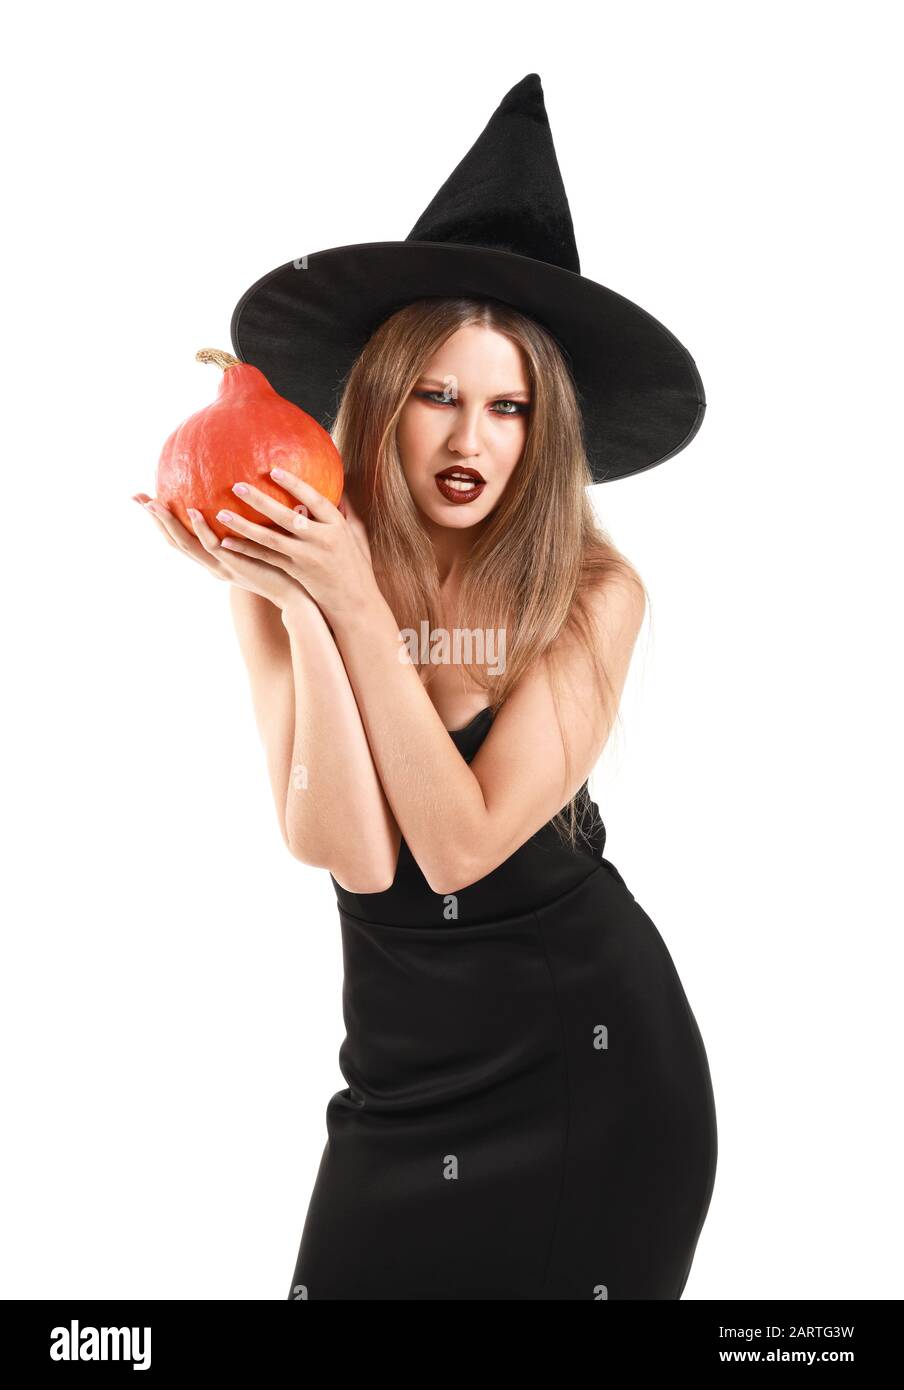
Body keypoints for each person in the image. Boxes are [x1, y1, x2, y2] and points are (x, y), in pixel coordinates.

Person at [135, 74, 717, 1299]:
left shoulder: (594, 596)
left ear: (545, 428)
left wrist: (350, 604)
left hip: (590, 1075)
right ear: (383, 394)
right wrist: (306, 596)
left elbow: (453, 851)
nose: (471, 442)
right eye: (439, 396)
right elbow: (345, 845)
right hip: (399, 1077)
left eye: (509, 407)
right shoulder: (288, 558)